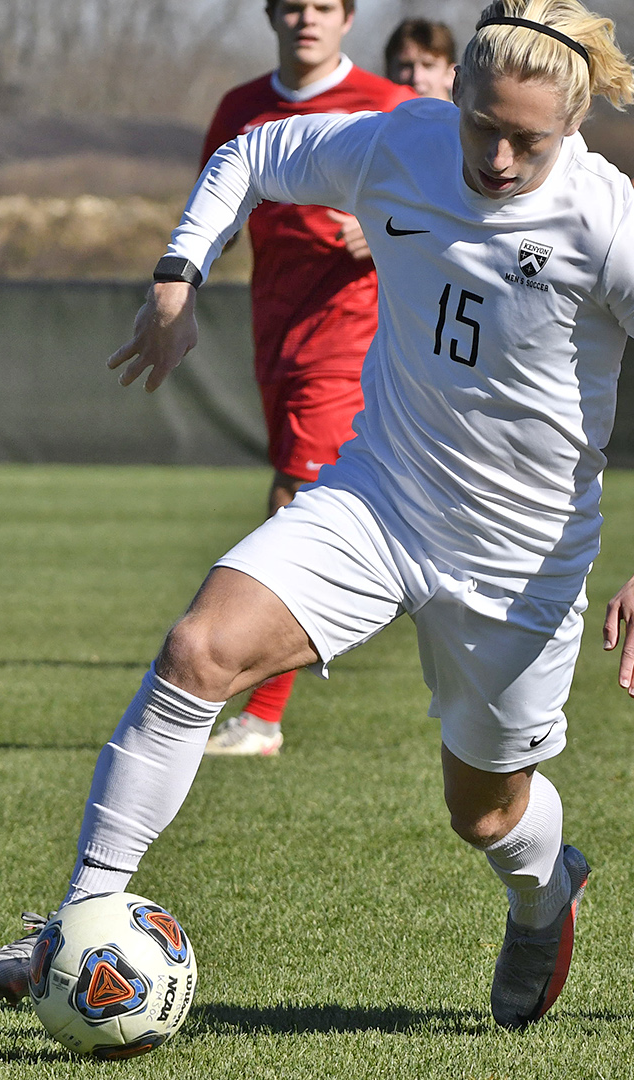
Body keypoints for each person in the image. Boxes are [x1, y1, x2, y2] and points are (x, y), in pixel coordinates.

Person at [0, 0, 634, 1031]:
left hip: (521, 562)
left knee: (488, 813)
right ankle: (78, 920)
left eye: (530, 140)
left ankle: (546, 895)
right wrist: (179, 272)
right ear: (452, 95)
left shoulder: (608, 226)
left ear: (576, 125)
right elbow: (248, 156)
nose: (500, 159)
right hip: (380, 498)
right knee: (199, 649)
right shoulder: (401, 143)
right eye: (483, 127)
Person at [197, 0, 416, 757]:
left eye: (324, 6)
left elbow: (460, 198)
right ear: (271, 15)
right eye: (292, 6)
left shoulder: (388, 107)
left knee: (295, 496)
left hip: (352, 337)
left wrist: (393, 224)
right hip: (275, 333)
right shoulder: (242, 110)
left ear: (349, 19)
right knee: (309, 490)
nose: (306, 20)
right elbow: (218, 205)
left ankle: (262, 712)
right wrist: (177, 288)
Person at [386, 17, 458, 100]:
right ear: (388, 71)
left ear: (452, 75)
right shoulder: (373, 113)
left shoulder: (468, 113)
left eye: (428, 65)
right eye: (405, 66)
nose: (416, 78)